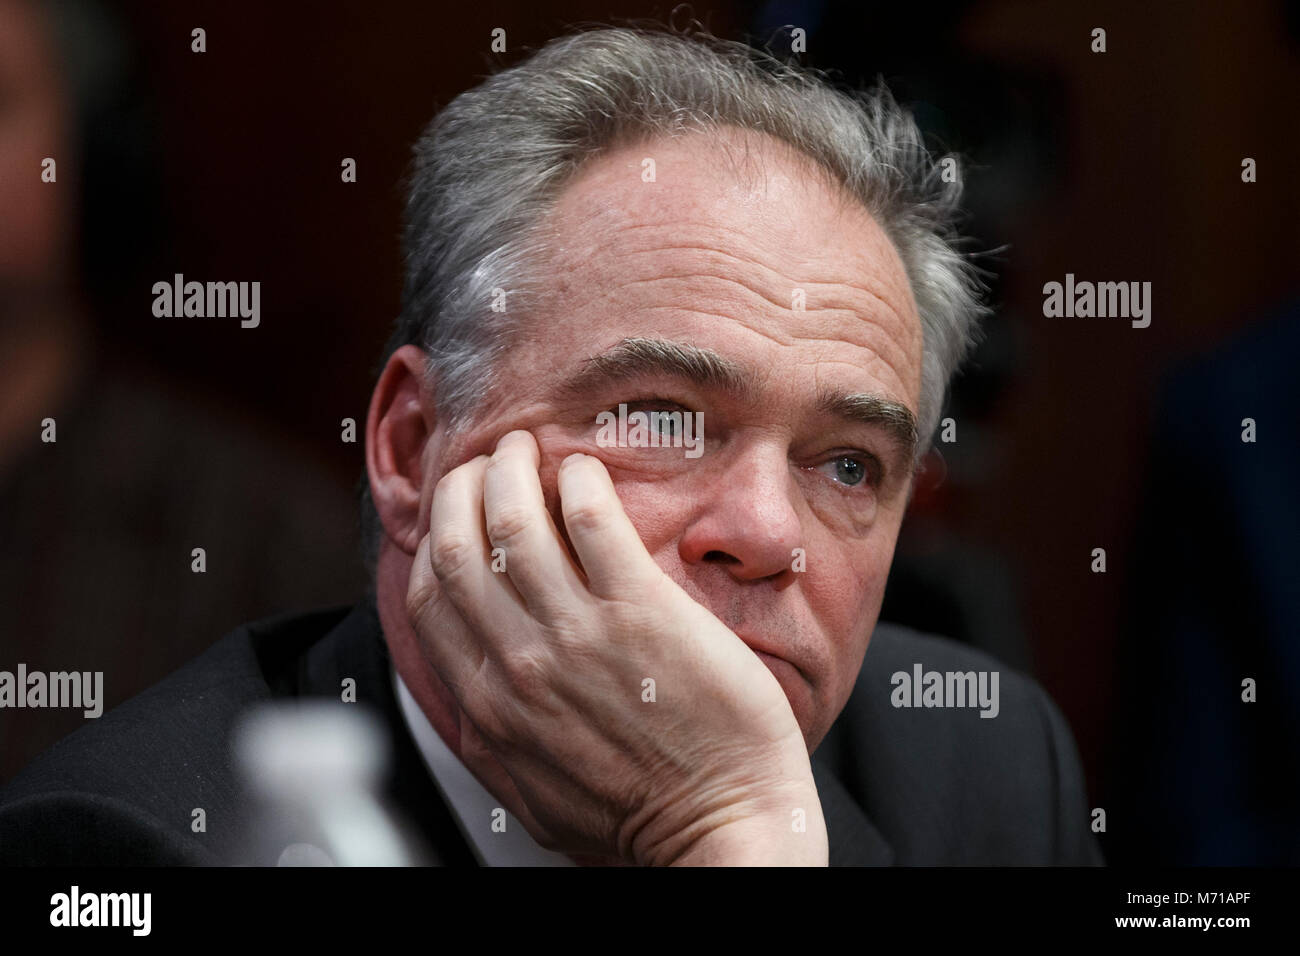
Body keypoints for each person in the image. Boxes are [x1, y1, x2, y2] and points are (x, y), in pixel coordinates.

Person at [0, 25, 1102, 866]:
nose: (767, 533)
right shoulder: (124, 843)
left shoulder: (987, 771)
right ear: (410, 447)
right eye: (664, 417)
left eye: (847, 463)